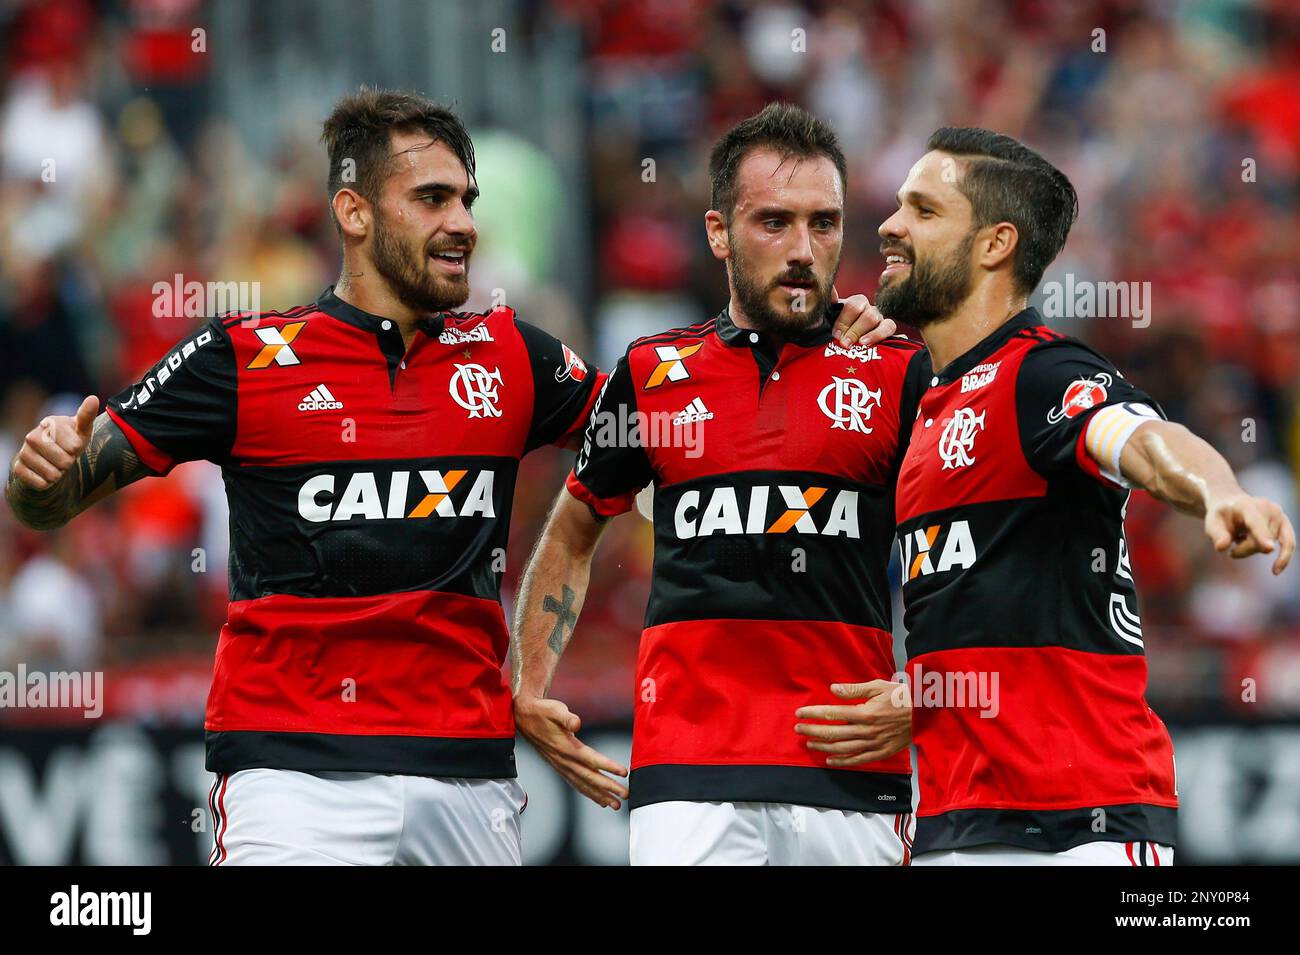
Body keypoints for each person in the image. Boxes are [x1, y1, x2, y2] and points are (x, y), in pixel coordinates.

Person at [5, 88, 896, 866]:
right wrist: (37, 477)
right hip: (293, 773)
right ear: (354, 212)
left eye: (466, 199)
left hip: (467, 773)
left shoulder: (513, 355)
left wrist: (822, 340)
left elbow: (685, 430)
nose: (464, 222)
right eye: (432, 198)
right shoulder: (240, 358)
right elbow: (59, 493)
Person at [873, 127, 1295, 865]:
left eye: (923, 210)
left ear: (994, 243)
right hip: (955, 822)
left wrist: (1216, 490)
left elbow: (1135, 436)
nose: (890, 224)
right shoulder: (926, 403)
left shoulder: (1039, 373)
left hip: (1080, 828)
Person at [511, 103, 920, 865]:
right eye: (774, 222)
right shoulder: (651, 374)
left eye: (823, 223)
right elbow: (573, 526)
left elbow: (967, 549)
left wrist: (928, 686)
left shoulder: (900, 371)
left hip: (852, 773)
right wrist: (526, 682)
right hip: (689, 776)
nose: (803, 249)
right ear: (718, 232)